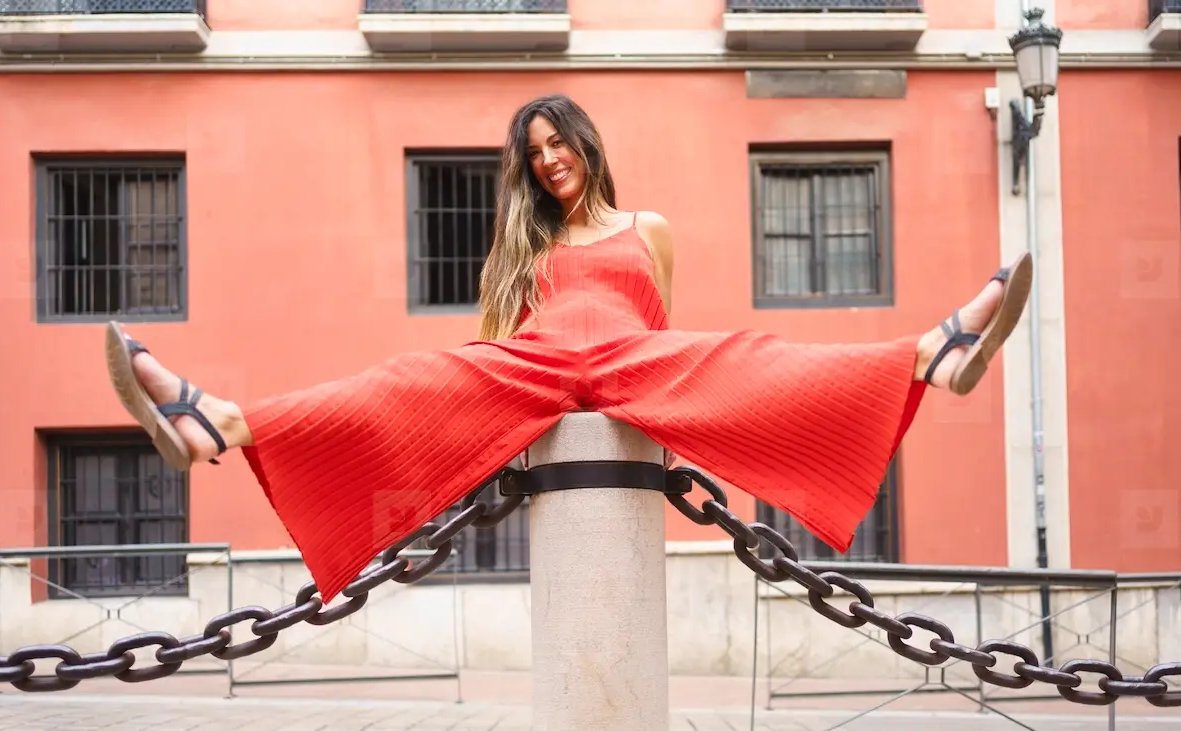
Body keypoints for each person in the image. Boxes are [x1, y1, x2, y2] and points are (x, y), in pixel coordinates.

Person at [105, 94, 1032, 603]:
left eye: (558, 142)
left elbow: (662, 324)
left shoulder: (647, 226)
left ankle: (932, 353)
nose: (548, 159)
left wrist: (663, 411)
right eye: (533, 151)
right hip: (540, 368)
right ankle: (215, 420)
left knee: (749, 354)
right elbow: (500, 349)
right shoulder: (524, 248)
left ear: (586, 143)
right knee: (406, 378)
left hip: (633, 362)